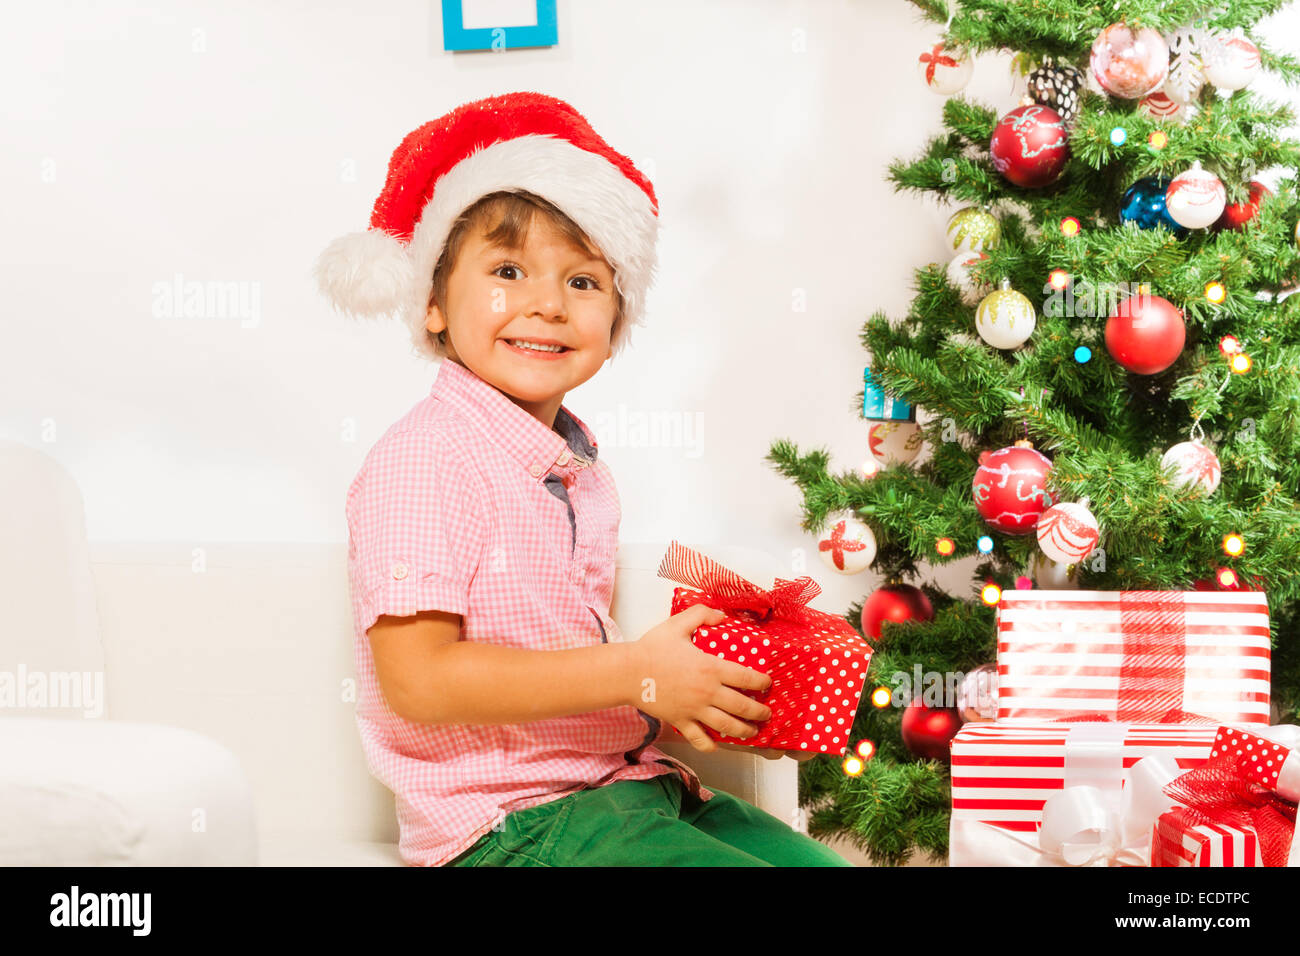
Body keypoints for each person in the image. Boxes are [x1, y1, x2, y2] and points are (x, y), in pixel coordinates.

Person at [316, 92, 851, 867]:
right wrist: (640, 672)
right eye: (507, 271)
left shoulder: (579, 473)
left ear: (615, 318)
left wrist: (704, 699)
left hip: (627, 786)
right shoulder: (424, 458)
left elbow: (561, 673)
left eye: (583, 283)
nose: (546, 305)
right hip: (513, 827)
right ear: (432, 303)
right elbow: (421, 681)